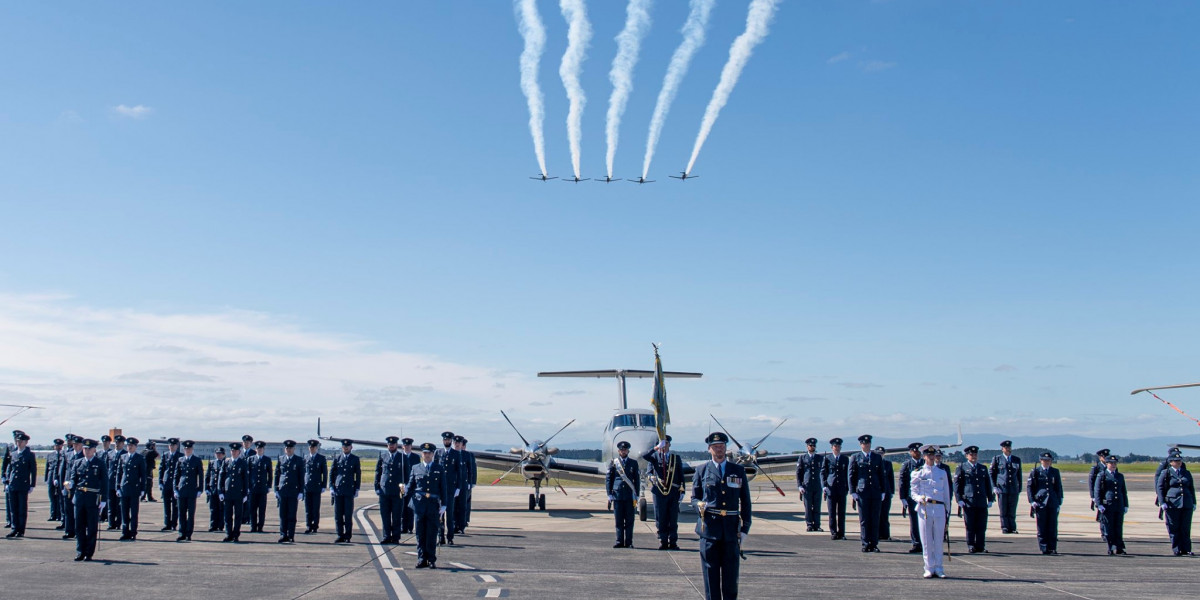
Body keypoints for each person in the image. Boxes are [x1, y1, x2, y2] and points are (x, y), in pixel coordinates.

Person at [692, 432, 751, 600]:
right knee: (710, 574)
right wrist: (699, 505)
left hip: (731, 531)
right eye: (715, 447)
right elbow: (694, 498)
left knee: (731, 576)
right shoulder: (701, 470)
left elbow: (745, 501)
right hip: (709, 530)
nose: (719, 449)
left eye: (722, 446)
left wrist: (745, 529)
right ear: (709, 449)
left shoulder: (738, 470)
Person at [404, 442, 448, 569]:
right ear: (421, 454)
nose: (427, 455)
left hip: (433, 505)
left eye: (429, 453)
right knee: (420, 533)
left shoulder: (439, 468)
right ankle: (421, 558)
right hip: (419, 505)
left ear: (433, 454)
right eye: (424, 453)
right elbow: (411, 485)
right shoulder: (415, 468)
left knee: (432, 533)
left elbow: (443, 487)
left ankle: (431, 559)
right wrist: (404, 490)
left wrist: (444, 504)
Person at [910, 444, 949, 579]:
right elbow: (913, 491)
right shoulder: (918, 472)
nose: (931, 457)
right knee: (926, 540)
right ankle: (928, 568)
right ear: (924, 456)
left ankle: (939, 567)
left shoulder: (942, 473)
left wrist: (947, 511)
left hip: (939, 508)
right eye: (928, 455)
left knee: (938, 540)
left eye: (933, 455)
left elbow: (946, 494)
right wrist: (918, 498)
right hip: (925, 508)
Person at [68, 439, 108, 561]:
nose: (87, 451)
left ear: (94, 450)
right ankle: (80, 551)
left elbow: (104, 482)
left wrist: (104, 499)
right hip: (80, 497)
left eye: (89, 449)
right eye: (85, 448)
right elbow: (73, 478)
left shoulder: (99, 463)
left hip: (92, 497)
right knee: (79, 526)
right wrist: (70, 483)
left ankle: (89, 552)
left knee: (91, 527)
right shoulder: (78, 462)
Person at [643, 435, 686, 549]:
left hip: (673, 491)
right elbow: (645, 456)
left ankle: (673, 542)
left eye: (666, 443)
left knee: (673, 518)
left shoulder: (675, 458)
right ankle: (663, 541)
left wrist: (682, 491)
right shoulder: (654, 457)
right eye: (662, 443)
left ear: (669, 444)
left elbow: (681, 475)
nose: (664, 445)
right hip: (659, 491)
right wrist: (656, 448)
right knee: (661, 517)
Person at [848, 434, 885, 552]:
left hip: (875, 491)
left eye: (868, 443)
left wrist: (883, 490)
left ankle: (874, 543)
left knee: (875, 518)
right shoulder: (855, 457)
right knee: (864, 519)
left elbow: (881, 475)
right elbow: (851, 475)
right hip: (862, 492)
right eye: (864, 443)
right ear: (861, 445)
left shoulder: (877, 457)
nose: (866, 445)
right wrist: (852, 491)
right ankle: (865, 543)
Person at [954, 445, 995, 553]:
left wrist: (990, 498)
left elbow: (987, 484)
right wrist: (959, 499)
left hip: (981, 501)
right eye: (971, 454)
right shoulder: (962, 467)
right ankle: (971, 545)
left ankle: (980, 546)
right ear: (967, 456)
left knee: (981, 526)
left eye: (975, 454)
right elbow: (957, 485)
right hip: (969, 501)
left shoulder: (983, 468)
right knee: (970, 525)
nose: (973, 456)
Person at [1158, 452, 1195, 556]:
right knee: (1174, 527)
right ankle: (1177, 548)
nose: (1179, 462)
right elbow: (1160, 488)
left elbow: (1191, 488)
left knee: (1185, 527)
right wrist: (1162, 502)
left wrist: (1194, 502)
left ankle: (1187, 549)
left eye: (1180, 460)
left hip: (1186, 503)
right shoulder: (1166, 472)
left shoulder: (1186, 472)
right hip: (1173, 503)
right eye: (1176, 461)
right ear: (1171, 462)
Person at [1027, 452, 1063, 555]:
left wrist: (1059, 500)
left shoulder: (1055, 471)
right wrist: (1032, 501)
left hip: (1052, 501)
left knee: (1052, 526)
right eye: (1045, 460)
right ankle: (1044, 547)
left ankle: (1052, 547)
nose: (1047, 462)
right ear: (1041, 461)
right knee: (1041, 527)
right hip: (1040, 502)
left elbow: (1058, 486)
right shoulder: (1035, 471)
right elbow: (1030, 487)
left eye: (1049, 460)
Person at [606, 440, 640, 548]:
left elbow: (637, 480)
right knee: (619, 521)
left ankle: (629, 542)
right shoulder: (613, 462)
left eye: (625, 450)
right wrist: (609, 494)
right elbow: (609, 479)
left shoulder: (633, 463)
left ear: (628, 451)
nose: (623, 451)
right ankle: (619, 541)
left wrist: (637, 494)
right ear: (618, 451)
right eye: (621, 450)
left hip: (629, 496)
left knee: (630, 521)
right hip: (618, 495)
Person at [1093, 455, 1128, 555]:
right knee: (1109, 528)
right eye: (1111, 463)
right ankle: (1111, 547)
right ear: (1107, 464)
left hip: (1119, 505)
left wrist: (1125, 504)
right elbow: (1097, 490)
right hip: (1108, 505)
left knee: (1118, 527)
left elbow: (1123, 491)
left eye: (1115, 463)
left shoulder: (1120, 476)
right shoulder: (1102, 475)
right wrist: (1099, 504)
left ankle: (1119, 548)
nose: (1113, 465)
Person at [4, 432, 35, 538]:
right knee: (13, 508)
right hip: (13, 484)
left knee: (22, 509)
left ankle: (21, 530)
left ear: (25, 442)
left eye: (21, 441)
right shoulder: (13, 454)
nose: (19, 443)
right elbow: (10, 469)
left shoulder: (29, 455)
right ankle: (14, 528)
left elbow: (33, 470)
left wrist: (32, 485)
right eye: (17, 441)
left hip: (23, 484)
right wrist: (7, 482)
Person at [329, 439, 361, 543]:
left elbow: (358, 474)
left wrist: (357, 488)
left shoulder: (355, 459)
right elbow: (332, 473)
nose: (345, 447)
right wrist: (331, 487)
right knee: (338, 515)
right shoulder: (337, 458)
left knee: (348, 515)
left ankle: (347, 536)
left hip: (349, 490)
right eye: (344, 446)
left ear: (351, 447)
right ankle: (340, 535)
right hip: (338, 490)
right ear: (342, 447)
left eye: (347, 446)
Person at [375, 435, 406, 544]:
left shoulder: (402, 457)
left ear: (396, 445)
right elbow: (378, 473)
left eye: (393, 444)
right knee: (385, 515)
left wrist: (403, 491)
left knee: (397, 516)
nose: (391, 446)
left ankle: (396, 537)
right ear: (387, 445)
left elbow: (407, 475)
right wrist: (377, 488)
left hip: (398, 491)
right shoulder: (383, 457)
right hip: (385, 491)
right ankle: (386, 536)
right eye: (389, 444)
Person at [434, 431, 462, 545]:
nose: (447, 441)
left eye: (449, 440)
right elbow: (434, 469)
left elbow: (459, 472)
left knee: (450, 514)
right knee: (440, 514)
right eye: (445, 440)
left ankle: (450, 537)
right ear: (443, 441)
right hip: (439, 489)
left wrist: (458, 487)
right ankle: (441, 537)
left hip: (450, 489)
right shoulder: (438, 452)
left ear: (451, 441)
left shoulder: (456, 454)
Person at [173, 440, 204, 542]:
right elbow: (176, 476)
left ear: (192, 449)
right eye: (186, 449)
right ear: (183, 450)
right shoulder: (180, 460)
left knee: (190, 514)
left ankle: (189, 533)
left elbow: (201, 476)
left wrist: (200, 489)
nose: (188, 450)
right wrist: (175, 489)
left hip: (192, 490)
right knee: (181, 513)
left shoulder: (196, 460)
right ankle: (181, 533)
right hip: (182, 490)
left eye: (189, 449)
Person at [989, 440, 1022, 534]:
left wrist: (1019, 487)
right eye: (1006, 447)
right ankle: (1005, 527)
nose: (1008, 449)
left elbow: (1019, 474)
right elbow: (991, 473)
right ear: (1002, 449)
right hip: (1002, 488)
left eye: (1009, 447)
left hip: (1013, 488)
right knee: (1003, 509)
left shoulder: (1016, 459)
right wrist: (994, 486)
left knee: (1012, 509)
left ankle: (1012, 527)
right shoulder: (997, 459)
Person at [274, 440, 304, 543]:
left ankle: (291, 535)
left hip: (293, 491)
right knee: (282, 515)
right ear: (285, 449)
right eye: (287, 448)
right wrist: (276, 489)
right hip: (283, 491)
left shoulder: (298, 460)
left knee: (291, 515)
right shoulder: (281, 459)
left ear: (294, 449)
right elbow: (277, 475)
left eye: (290, 448)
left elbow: (301, 477)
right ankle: (283, 534)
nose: (289, 450)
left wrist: (301, 491)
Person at [117, 437, 146, 541]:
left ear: (135, 447)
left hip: (134, 489)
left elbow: (143, 475)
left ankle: (133, 532)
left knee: (133, 513)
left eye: (131, 445)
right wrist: (118, 487)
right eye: (128, 445)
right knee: (124, 512)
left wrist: (143, 489)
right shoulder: (123, 457)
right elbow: (119, 473)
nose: (129, 447)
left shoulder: (139, 458)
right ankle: (125, 532)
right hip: (124, 488)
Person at [821, 437, 849, 540]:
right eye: (835, 446)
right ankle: (833, 532)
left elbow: (848, 474)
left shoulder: (845, 459)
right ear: (832, 447)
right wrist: (824, 486)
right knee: (832, 513)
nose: (837, 448)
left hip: (841, 489)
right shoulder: (827, 459)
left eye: (838, 446)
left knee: (841, 513)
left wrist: (848, 487)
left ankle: (842, 533)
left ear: (840, 447)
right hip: (831, 489)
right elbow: (823, 473)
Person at [795, 437, 825, 532]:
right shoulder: (802, 458)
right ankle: (809, 525)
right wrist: (800, 486)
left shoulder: (820, 458)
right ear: (807, 446)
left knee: (817, 506)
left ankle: (817, 525)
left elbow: (824, 472)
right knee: (808, 507)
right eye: (810, 445)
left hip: (817, 485)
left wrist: (824, 485)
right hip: (807, 486)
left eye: (813, 446)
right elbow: (799, 473)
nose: (812, 447)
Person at [222, 442, 250, 542]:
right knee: (227, 515)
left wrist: (245, 494)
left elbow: (245, 479)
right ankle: (228, 534)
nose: (233, 452)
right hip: (228, 493)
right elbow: (222, 477)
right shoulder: (226, 462)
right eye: (232, 451)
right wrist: (220, 491)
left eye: (236, 451)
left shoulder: (243, 463)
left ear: (239, 452)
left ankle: (236, 534)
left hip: (238, 493)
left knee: (238, 515)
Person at [898, 442, 923, 553]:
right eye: (915, 451)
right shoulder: (907, 465)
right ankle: (916, 543)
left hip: (924, 497)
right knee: (914, 522)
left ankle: (925, 543)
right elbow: (902, 482)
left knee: (925, 522)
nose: (917, 453)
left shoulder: (926, 464)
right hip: (912, 497)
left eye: (918, 451)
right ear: (911, 452)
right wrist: (903, 497)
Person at [60, 435, 83, 538]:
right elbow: (62, 471)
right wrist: (63, 486)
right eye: (74, 444)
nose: (75, 446)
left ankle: (78, 531)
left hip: (79, 488)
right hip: (68, 487)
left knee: (78, 512)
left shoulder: (84, 456)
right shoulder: (68, 455)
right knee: (68, 510)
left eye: (77, 444)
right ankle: (69, 531)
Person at [303, 439, 328, 534]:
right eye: (310, 447)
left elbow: (324, 473)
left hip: (317, 486)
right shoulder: (305, 458)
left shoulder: (321, 458)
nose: (312, 449)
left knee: (315, 508)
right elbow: (303, 472)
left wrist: (323, 485)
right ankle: (308, 525)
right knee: (308, 508)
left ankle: (315, 526)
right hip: (307, 486)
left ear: (316, 448)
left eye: (313, 447)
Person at [248, 440, 273, 533]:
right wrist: (248, 486)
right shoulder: (250, 459)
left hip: (262, 488)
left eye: (261, 449)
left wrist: (269, 485)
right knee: (252, 509)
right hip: (253, 488)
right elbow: (248, 474)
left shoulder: (267, 459)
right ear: (255, 449)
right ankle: (253, 526)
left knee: (262, 509)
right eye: (258, 448)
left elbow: (270, 474)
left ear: (263, 449)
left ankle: (260, 526)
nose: (259, 450)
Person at [453, 435, 476, 534]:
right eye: (455, 442)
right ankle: (453, 524)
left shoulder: (467, 455)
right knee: (453, 506)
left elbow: (471, 470)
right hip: (453, 484)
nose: (457, 444)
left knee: (462, 506)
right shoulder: (451, 454)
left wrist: (470, 483)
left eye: (459, 443)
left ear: (462, 444)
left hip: (463, 484)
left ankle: (461, 526)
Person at [158, 437, 182, 531]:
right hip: (166, 482)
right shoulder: (165, 455)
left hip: (175, 483)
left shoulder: (180, 456)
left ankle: (174, 524)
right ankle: (167, 523)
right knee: (166, 505)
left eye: (173, 445)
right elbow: (162, 469)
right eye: (170, 445)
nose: (171, 447)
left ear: (177, 446)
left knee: (175, 505)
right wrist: (160, 481)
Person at [105, 435, 127, 530]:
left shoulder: (125, 454)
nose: (117, 444)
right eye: (116, 442)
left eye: (119, 443)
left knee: (119, 505)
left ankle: (118, 523)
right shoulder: (110, 454)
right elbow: (106, 467)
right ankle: (111, 523)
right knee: (110, 504)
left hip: (120, 483)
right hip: (110, 482)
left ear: (123, 444)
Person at [1089, 448, 1111, 540]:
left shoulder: (1110, 467)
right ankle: (1104, 533)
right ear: (1100, 457)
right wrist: (1093, 496)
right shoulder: (1096, 468)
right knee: (1102, 515)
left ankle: (1109, 532)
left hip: (1108, 495)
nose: (1105, 458)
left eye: (1106, 456)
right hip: (1099, 494)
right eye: (1103, 456)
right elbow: (1091, 482)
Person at [398, 438, 419, 534]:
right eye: (405, 445)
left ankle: (410, 527)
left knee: (410, 506)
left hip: (412, 485)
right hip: (402, 485)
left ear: (411, 446)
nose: (407, 447)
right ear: (403, 446)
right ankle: (403, 527)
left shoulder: (416, 457)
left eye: (408, 445)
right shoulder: (400, 456)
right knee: (402, 506)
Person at [877, 446, 896, 541]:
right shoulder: (873, 463)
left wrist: (892, 491)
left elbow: (891, 478)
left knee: (885, 514)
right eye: (878, 453)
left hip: (886, 492)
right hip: (876, 492)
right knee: (876, 514)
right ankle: (876, 534)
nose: (880, 455)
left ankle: (885, 534)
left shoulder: (888, 464)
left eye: (881, 453)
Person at [205, 446, 226, 532]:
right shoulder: (212, 463)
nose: (218, 455)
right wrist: (206, 488)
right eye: (217, 454)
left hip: (222, 489)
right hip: (213, 488)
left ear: (223, 454)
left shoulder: (226, 463)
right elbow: (208, 476)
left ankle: (220, 525)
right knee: (213, 508)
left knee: (221, 508)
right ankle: (213, 525)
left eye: (220, 454)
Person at [45, 438, 65, 523]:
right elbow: (47, 467)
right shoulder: (50, 455)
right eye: (56, 445)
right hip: (51, 477)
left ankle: (59, 515)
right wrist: (46, 478)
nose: (57, 447)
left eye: (59, 445)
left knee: (60, 497)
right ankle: (53, 514)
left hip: (59, 477)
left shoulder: (63, 454)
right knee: (52, 496)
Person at [460, 437, 477, 531]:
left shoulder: (469, 455)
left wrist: (472, 482)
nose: (462, 446)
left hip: (466, 482)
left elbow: (473, 469)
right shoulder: (455, 454)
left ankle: (465, 519)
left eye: (463, 445)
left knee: (466, 502)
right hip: (458, 483)